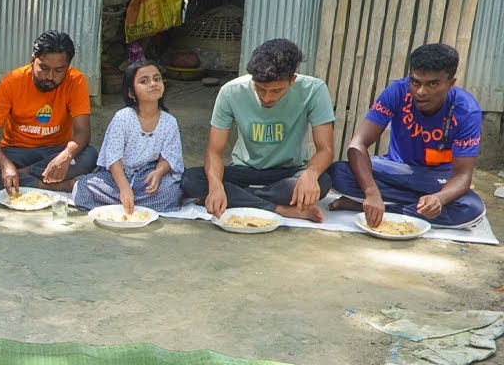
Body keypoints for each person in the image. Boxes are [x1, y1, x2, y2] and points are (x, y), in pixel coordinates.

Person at [328, 43, 485, 228]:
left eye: (432, 83)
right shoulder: (397, 91)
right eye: (415, 82)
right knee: (336, 173)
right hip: (394, 170)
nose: (420, 92)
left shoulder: (466, 111)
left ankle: (381, 208)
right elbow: (358, 144)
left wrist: (439, 199)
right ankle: (404, 206)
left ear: (451, 83)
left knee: (471, 208)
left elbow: (463, 175)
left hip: (436, 181)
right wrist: (371, 192)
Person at [181, 38, 335, 221]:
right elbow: (214, 151)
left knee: (322, 182)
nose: (267, 97)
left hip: (287, 171)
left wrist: (311, 174)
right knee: (191, 179)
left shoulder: (314, 90)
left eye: (276, 91)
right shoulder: (230, 92)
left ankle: (240, 197)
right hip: (243, 170)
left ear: (292, 80)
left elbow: (325, 149)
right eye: (260, 89)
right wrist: (215, 186)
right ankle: (279, 209)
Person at [0, 30, 98, 194]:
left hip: (55, 150)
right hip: (15, 151)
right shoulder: (12, 82)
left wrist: (66, 156)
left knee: (90, 155)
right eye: (44, 68)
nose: (50, 76)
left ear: (67, 67)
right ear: (33, 60)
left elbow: (83, 133)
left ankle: (22, 176)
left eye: (59, 70)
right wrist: (5, 165)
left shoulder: (76, 81)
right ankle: (49, 184)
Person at [73, 61, 183, 212]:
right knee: (85, 187)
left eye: (157, 79)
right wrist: (125, 189)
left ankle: (123, 202)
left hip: (147, 175)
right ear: (131, 92)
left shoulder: (170, 122)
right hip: (117, 176)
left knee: (172, 192)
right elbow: (113, 159)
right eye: (144, 81)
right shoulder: (123, 118)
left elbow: (168, 157)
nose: (153, 84)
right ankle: (130, 201)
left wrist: (159, 172)